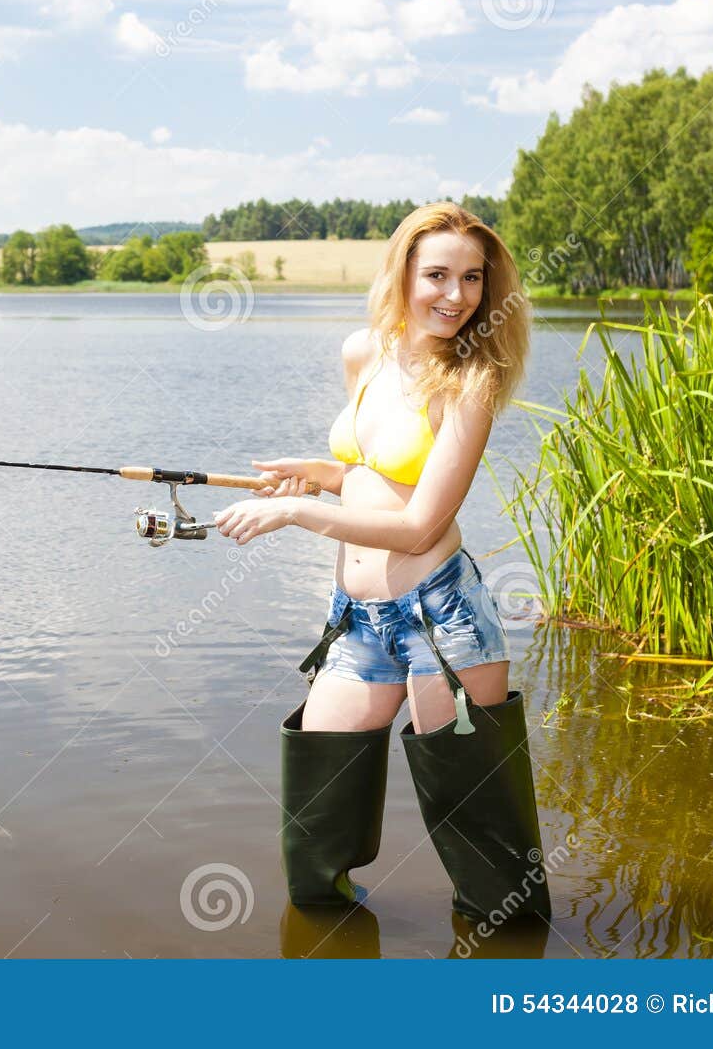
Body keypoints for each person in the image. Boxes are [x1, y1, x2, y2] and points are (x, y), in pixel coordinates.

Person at [212, 201, 551, 923]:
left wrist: (298, 513)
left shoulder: (472, 384)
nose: (455, 296)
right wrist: (317, 474)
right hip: (356, 624)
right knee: (313, 854)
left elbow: (421, 521)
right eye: (437, 274)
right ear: (403, 274)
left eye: (471, 279)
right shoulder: (363, 352)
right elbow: (372, 467)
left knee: (495, 881)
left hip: (444, 623)